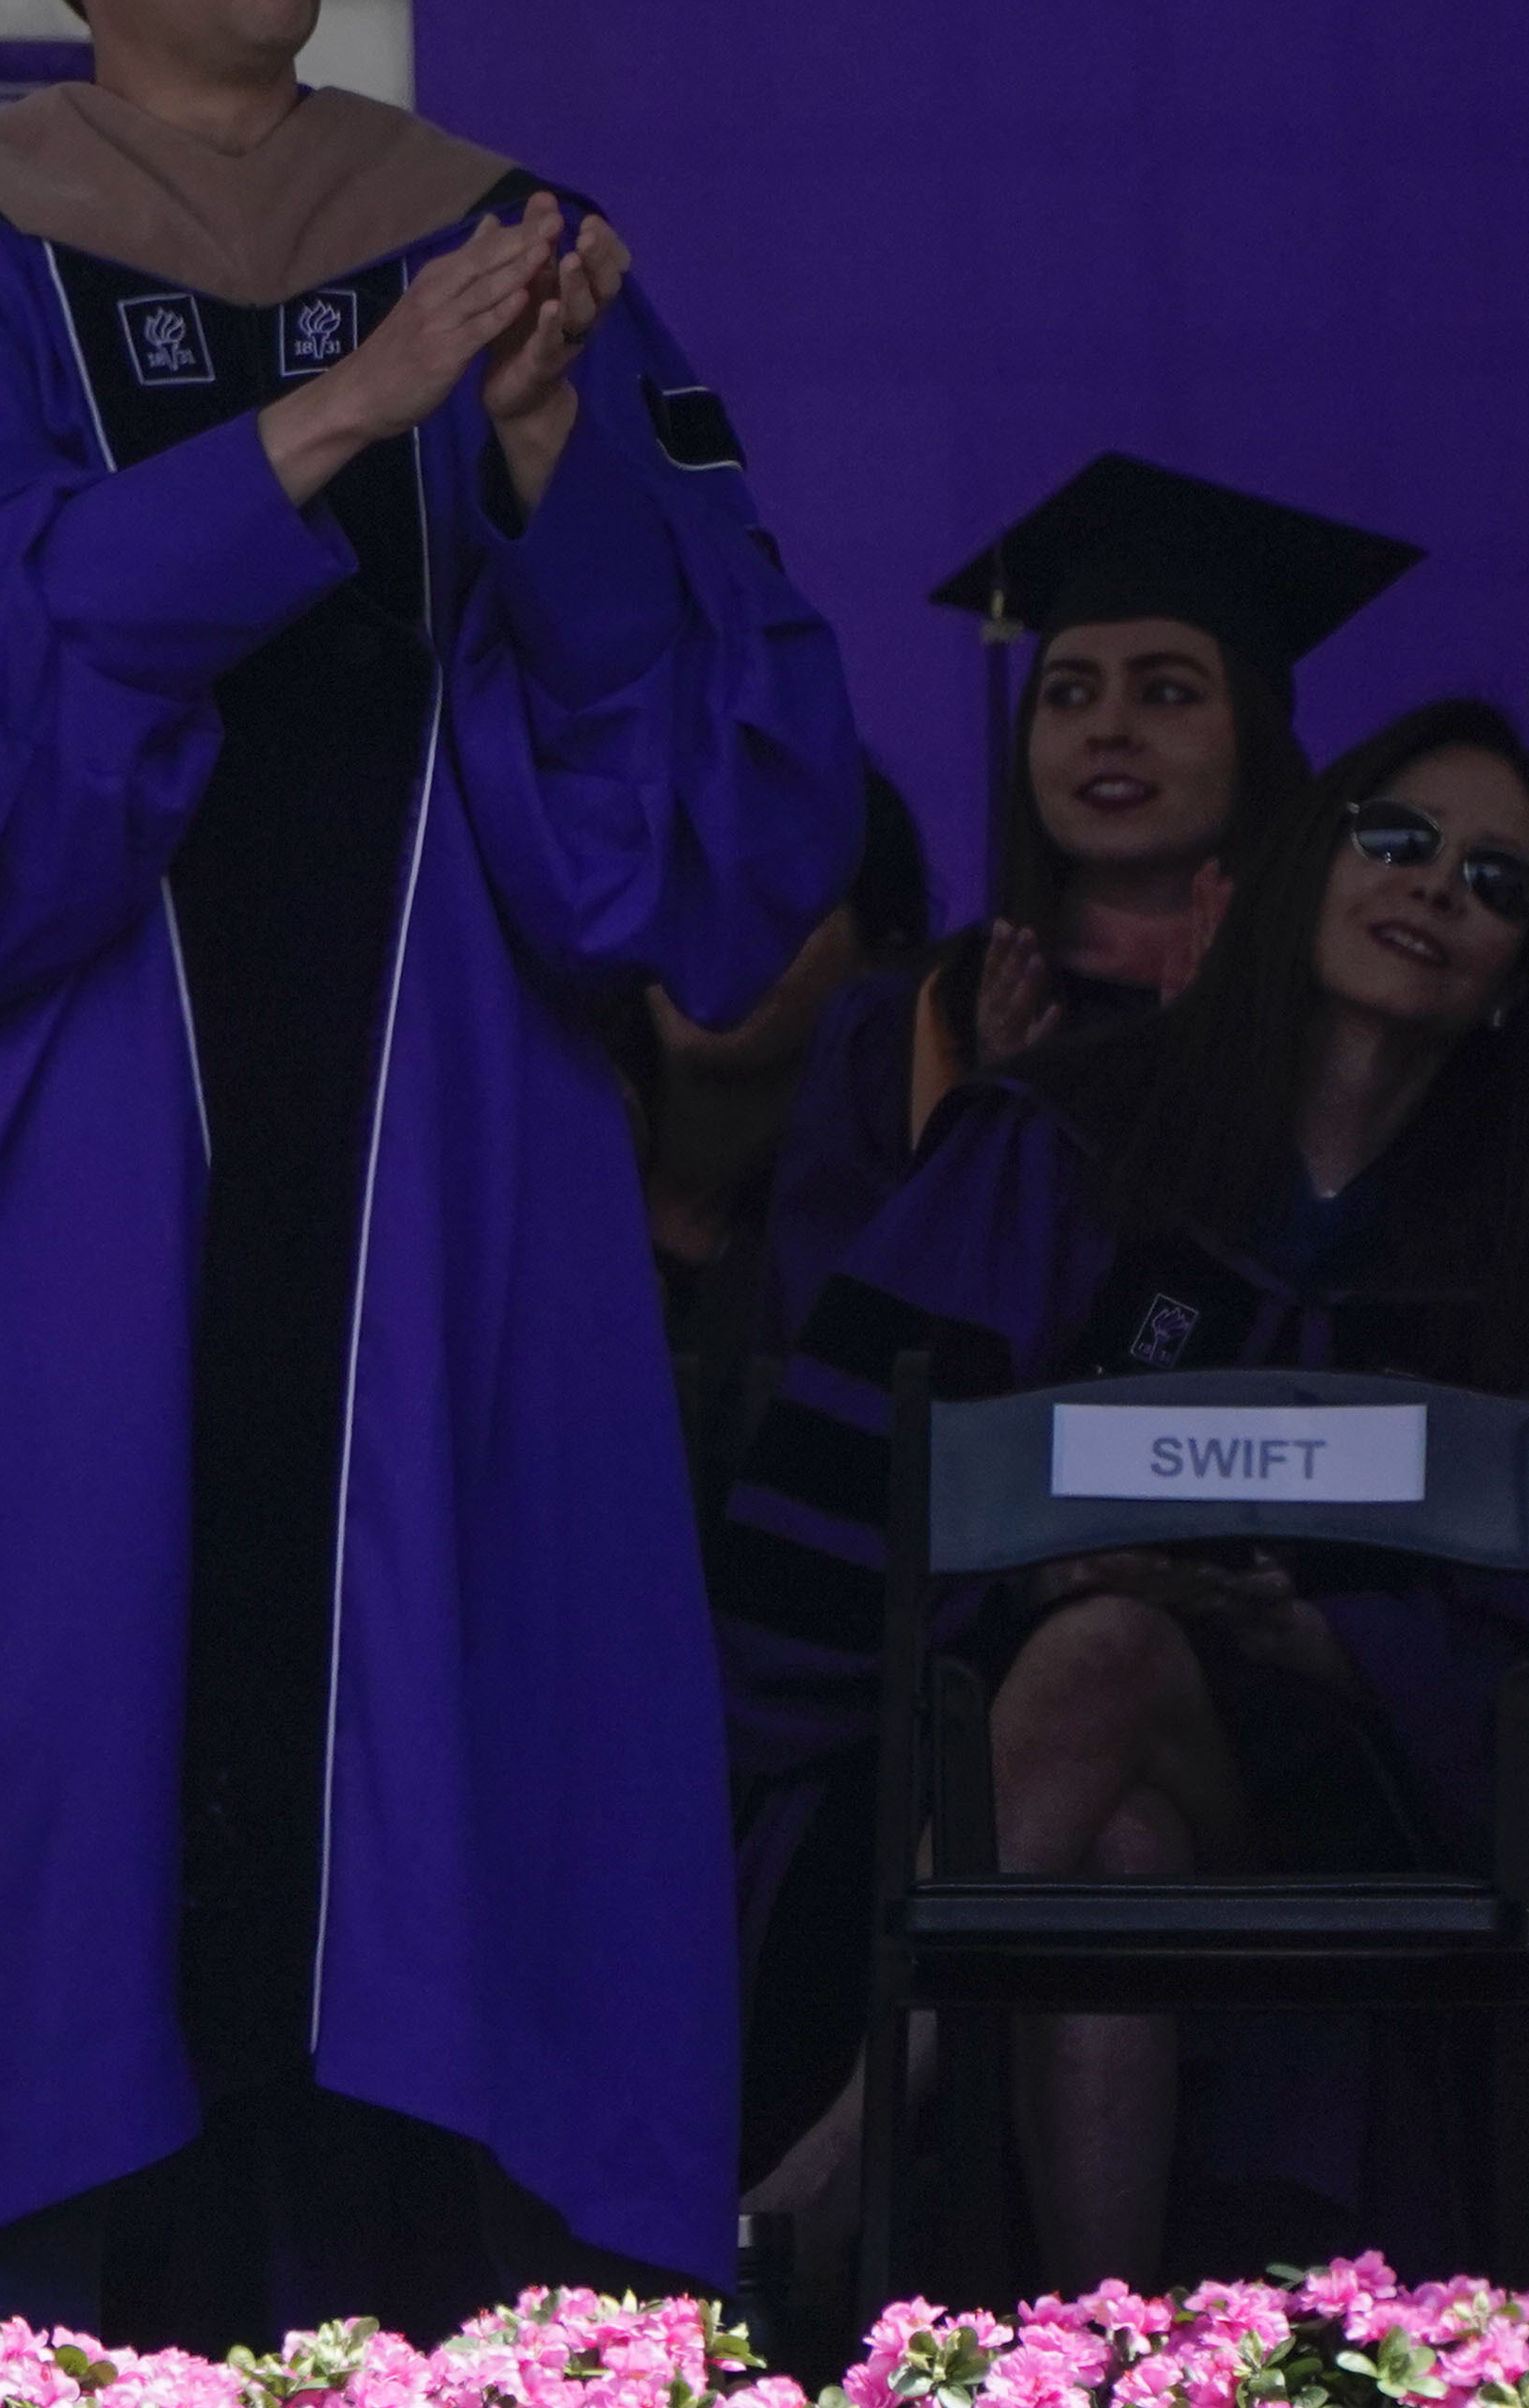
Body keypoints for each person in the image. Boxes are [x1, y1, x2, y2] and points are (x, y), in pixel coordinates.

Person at [0, 0, 863, 2343]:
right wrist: (328, 428)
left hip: (460, 1136)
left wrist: (556, 457)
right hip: (94, 1122)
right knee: (115, 1756)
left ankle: (510, 2381)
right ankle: (86, 2371)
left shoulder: (508, 242)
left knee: (476, 1722)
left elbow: (716, 812)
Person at [716, 698, 1529, 2301]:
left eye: (1497, 879)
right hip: (1043, 1742)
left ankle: (835, 2159)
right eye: (1394, 839)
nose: (1435, 888)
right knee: (1110, 1769)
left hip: (1364, 1783)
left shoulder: (1502, 1233)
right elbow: (868, 1494)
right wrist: (1030, 1571)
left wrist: (1312, 1632)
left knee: (1103, 1707)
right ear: (1305, 862)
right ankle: (1111, 2344)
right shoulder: (1064, 1139)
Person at [762, 460, 1408, 1359]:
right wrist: (994, 1139)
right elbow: (828, 1342)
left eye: (1166, 691)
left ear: (1256, 735)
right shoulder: (905, 1027)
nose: (1106, 726)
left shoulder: (1342, 1017)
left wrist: (1217, 1074)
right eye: (1066, 692)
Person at [638, 770, 934, 1503]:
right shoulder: (539, 1190)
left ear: (876, 947)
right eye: (685, 886)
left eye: (777, 900)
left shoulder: (884, 1228)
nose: (718, 938)